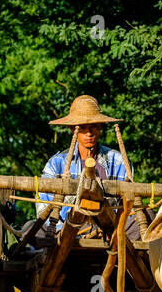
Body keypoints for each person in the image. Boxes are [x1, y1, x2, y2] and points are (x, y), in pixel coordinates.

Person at [38, 95, 130, 233]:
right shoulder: (56, 163)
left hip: (112, 230)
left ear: (100, 127)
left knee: (143, 220)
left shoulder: (118, 161)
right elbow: (43, 207)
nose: (89, 133)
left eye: (93, 126)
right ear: (71, 129)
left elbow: (129, 204)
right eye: (82, 127)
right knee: (33, 228)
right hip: (66, 228)